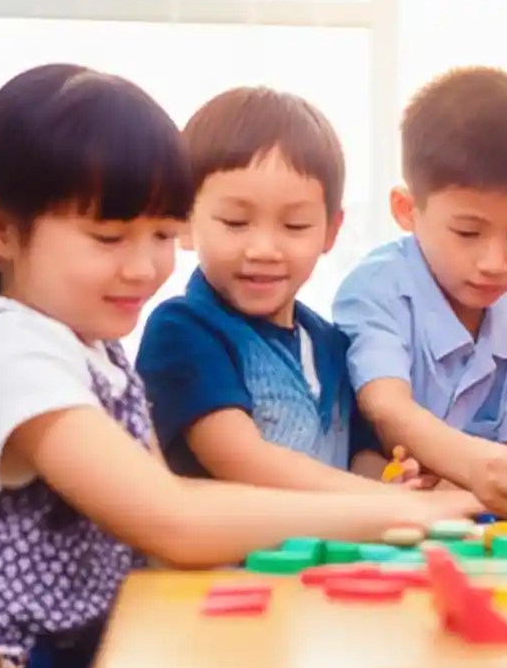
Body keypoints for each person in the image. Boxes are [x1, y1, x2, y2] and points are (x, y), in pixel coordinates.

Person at [0, 64, 477, 668]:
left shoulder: (87, 346)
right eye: (108, 237)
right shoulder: (8, 348)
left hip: (86, 653)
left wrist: (393, 504)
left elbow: (171, 491)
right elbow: (172, 519)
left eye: (160, 233)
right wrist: (397, 514)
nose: (146, 268)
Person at [334, 67, 507, 519]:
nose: (495, 261)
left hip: (471, 523)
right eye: (467, 231)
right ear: (406, 210)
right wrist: (477, 467)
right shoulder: (377, 288)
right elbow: (385, 406)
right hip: (375, 513)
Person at [137, 87, 390, 491]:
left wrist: (395, 485)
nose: (264, 249)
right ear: (183, 222)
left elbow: (363, 454)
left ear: (331, 231)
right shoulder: (181, 330)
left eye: (295, 227)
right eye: (236, 223)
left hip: (333, 552)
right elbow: (242, 460)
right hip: (225, 554)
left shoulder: (334, 343)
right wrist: (382, 501)